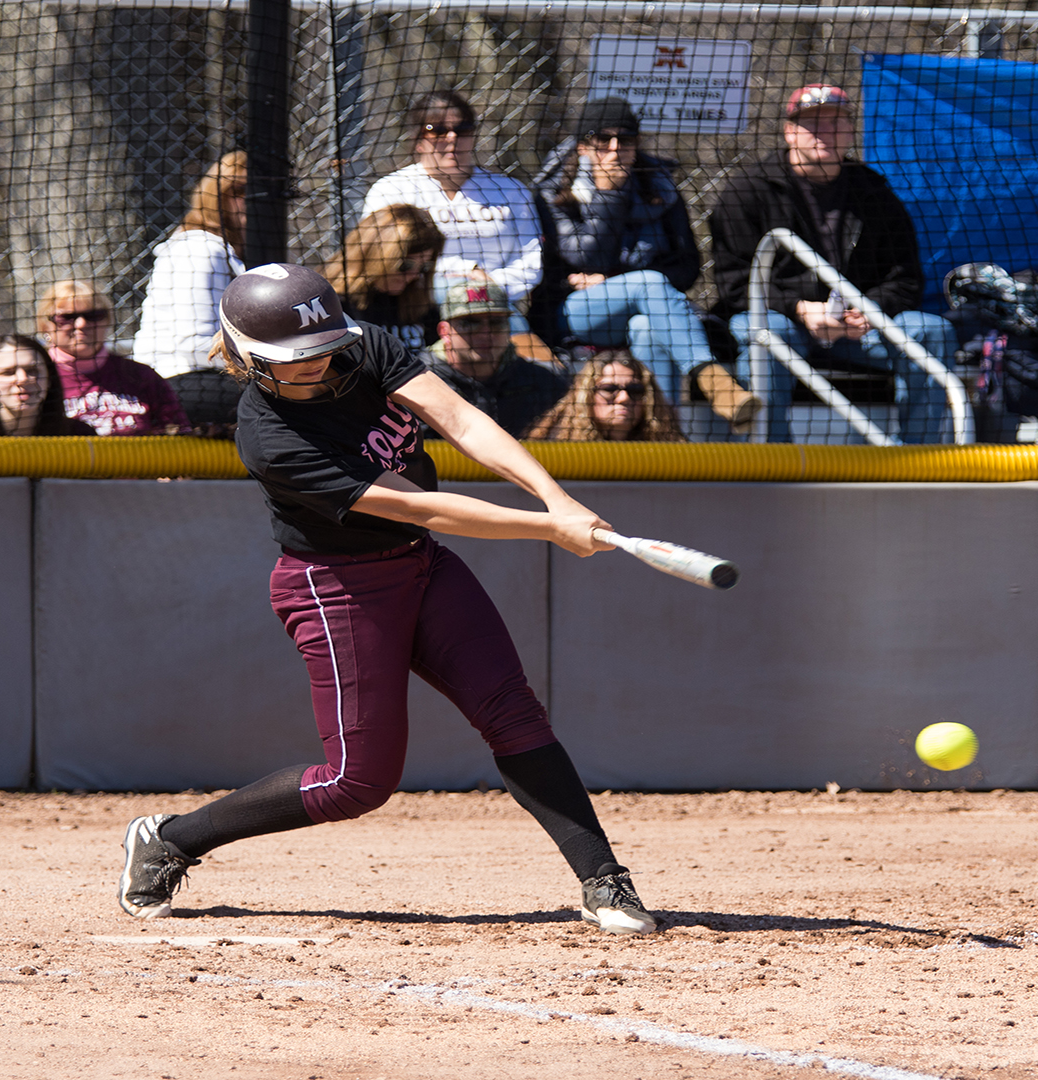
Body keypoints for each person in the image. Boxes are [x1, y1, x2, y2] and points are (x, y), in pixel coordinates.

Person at [115, 263, 657, 936]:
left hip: (419, 567)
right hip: (335, 588)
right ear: (252, 360)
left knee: (514, 714)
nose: (316, 363)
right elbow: (420, 506)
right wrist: (548, 529)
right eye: (295, 359)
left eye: (322, 348)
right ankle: (171, 838)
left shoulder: (360, 342)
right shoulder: (268, 436)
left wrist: (557, 496)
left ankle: (603, 880)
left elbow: (459, 417)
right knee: (357, 784)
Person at [709, 84, 957, 444]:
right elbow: (733, 282)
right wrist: (801, 309)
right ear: (790, 132)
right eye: (813, 125)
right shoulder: (748, 190)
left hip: (860, 330)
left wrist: (869, 311)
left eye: (836, 124)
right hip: (786, 323)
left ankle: (916, 460)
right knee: (765, 334)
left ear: (850, 132)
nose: (825, 134)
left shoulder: (874, 191)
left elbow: (904, 279)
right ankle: (772, 462)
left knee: (932, 331)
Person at [531, 96, 749, 425]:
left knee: (646, 328)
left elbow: (687, 266)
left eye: (626, 139)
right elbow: (586, 256)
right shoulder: (552, 190)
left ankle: (664, 430)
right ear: (583, 147)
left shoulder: (659, 187)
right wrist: (610, 194)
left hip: (645, 308)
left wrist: (619, 282)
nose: (616, 149)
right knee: (648, 282)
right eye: (603, 139)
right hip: (571, 309)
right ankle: (711, 378)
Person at [360, 90, 541, 308]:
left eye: (463, 129)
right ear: (417, 140)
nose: (452, 138)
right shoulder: (391, 189)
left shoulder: (510, 190)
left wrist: (490, 285)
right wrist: (464, 274)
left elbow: (530, 261)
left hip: (495, 301)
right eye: (437, 130)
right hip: (415, 302)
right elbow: (376, 257)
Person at [133, 151, 249, 431]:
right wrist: (263, 355)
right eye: (239, 192)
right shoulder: (200, 248)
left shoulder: (221, 249)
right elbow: (192, 346)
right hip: (181, 384)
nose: (249, 201)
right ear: (218, 196)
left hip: (209, 380)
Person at [421, 271, 568, 438]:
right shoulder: (419, 382)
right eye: (470, 323)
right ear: (444, 332)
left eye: (496, 322)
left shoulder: (545, 381)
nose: (486, 333)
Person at [39, 280, 189, 436]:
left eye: (94, 315)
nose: (81, 324)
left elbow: (179, 430)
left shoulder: (140, 375)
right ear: (45, 327)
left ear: (108, 321)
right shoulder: (37, 377)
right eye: (67, 317)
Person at [322, 203, 444, 352]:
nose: (414, 275)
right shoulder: (332, 306)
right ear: (376, 256)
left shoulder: (419, 306)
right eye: (405, 266)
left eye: (424, 267)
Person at [0, 334, 96, 436]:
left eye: (33, 370)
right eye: (8, 372)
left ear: (49, 379)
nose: (23, 379)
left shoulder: (79, 435)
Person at [527, 350, 685, 442]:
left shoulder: (669, 447)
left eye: (635, 390)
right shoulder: (557, 445)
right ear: (587, 395)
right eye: (609, 389)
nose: (624, 398)